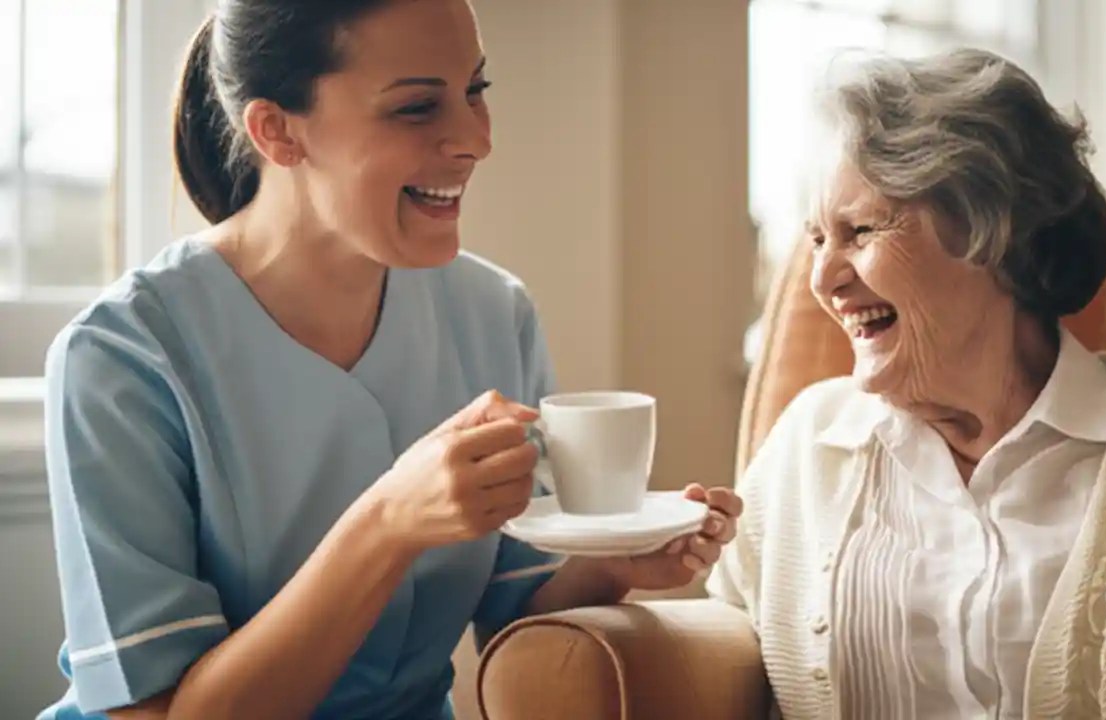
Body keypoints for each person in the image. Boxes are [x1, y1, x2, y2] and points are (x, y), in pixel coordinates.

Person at [40, 2, 741, 718]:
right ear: (276, 131)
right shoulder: (121, 358)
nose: (475, 140)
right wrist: (387, 523)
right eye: (416, 107)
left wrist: (612, 564)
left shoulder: (494, 313)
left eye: (476, 91)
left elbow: (515, 613)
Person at [708, 48, 1106, 719]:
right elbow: (722, 634)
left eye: (860, 231)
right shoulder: (810, 440)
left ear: (995, 234)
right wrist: (612, 576)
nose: (822, 281)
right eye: (816, 240)